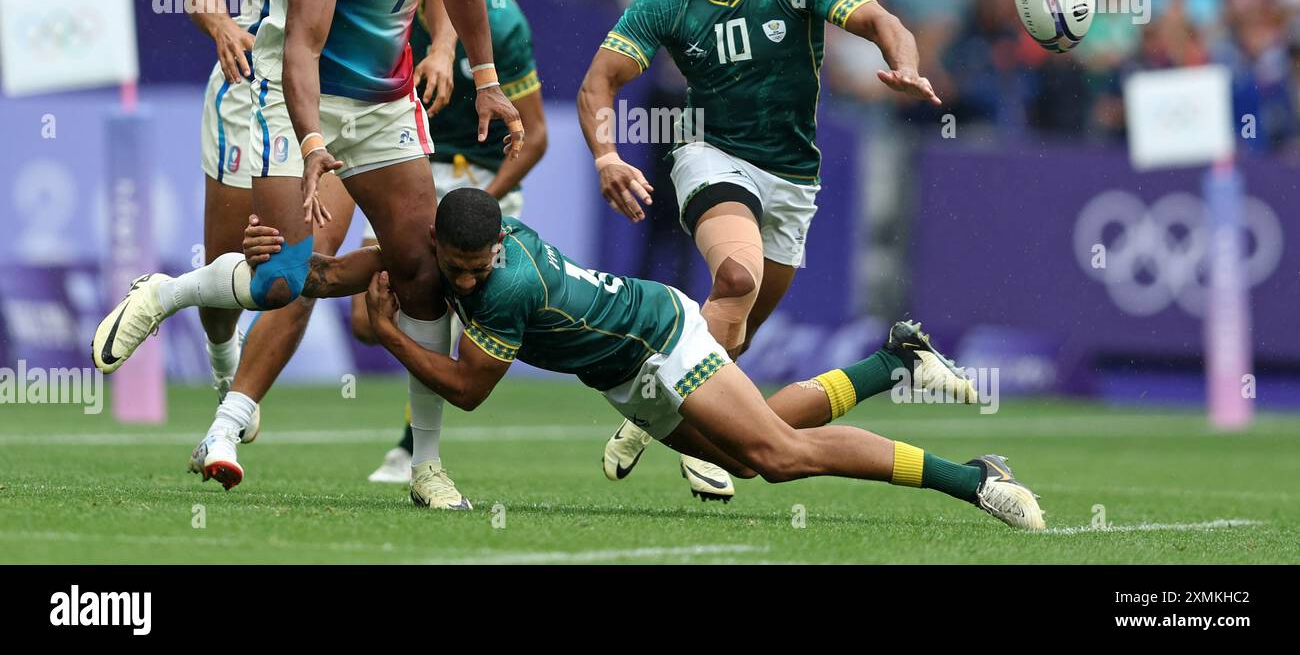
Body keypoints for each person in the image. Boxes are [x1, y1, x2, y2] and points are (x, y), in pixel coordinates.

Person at [93, 0, 523, 511]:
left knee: (423, 268)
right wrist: (316, 145)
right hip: (299, 99)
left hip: (387, 105)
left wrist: (484, 77)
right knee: (283, 276)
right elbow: (301, 46)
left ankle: (425, 465)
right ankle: (169, 294)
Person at [238, 188, 1045, 531]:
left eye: (481, 265)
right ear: (437, 245)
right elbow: (331, 271)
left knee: (779, 456)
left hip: (661, 337)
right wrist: (271, 258)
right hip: (627, 371)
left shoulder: (506, 286)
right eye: (461, 266)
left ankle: (975, 479)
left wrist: (389, 341)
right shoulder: (436, 247)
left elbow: (470, 392)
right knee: (760, 447)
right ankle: (894, 362)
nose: (471, 277)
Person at [576, 0, 942, 499]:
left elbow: (884, 20)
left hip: (793, 181)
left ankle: (881, 368)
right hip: (711, 156)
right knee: (736, 279)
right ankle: (655, 418)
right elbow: (598, 83)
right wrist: (608, 156)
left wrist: (904, 64)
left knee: (733, 365)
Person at [185, 0, 366, 445]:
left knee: (303, 259)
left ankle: (230, 419)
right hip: (252, 94)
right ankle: (223, 353)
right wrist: (223, 22)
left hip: (345, 103)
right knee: (228, 274)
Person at [351, 0, 549, 484]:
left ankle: (414, 446)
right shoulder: (393, 3)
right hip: (410, 164)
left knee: (454, 310)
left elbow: (534, 136)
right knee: (367, 319)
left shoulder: (503, 22)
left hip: (482, 178)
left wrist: (481, 203)